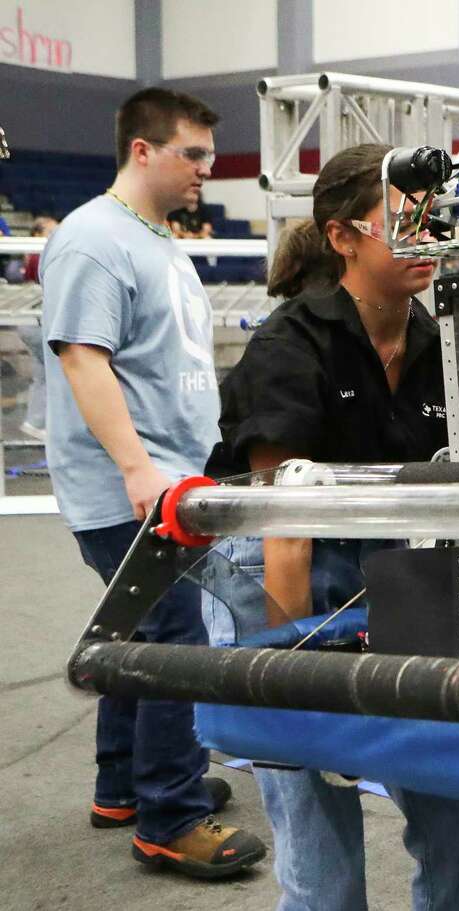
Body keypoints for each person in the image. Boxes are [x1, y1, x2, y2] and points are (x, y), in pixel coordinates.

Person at [203, 143, 459, 911]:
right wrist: (287, 678)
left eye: (432, 218)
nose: (426, 235)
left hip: (395, 568)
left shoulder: (446, 345)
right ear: (342, 238)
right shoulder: (289, 348)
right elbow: (284, 528)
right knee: (323, 858)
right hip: (276, 576)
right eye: (402, 220)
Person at [39, 87, 266, 878]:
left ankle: (123, 787)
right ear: (144, 151)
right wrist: (139, 469)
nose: (207, 169)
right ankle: (169, 816)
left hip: (174, 474)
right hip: (130, 485)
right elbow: (82, 357)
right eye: (192, 154)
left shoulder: (159, 239)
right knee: (176, 638)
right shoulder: (93, 239)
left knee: (138, 631)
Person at [16, 216, 57, 440]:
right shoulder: (37, 255)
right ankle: (47, 423)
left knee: (43, 375)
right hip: (35, 321)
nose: (55, 235)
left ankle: (35, 422)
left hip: (33, 321)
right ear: (36, 235)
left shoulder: (34, 255)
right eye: (51, 232)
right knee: (57, 373)